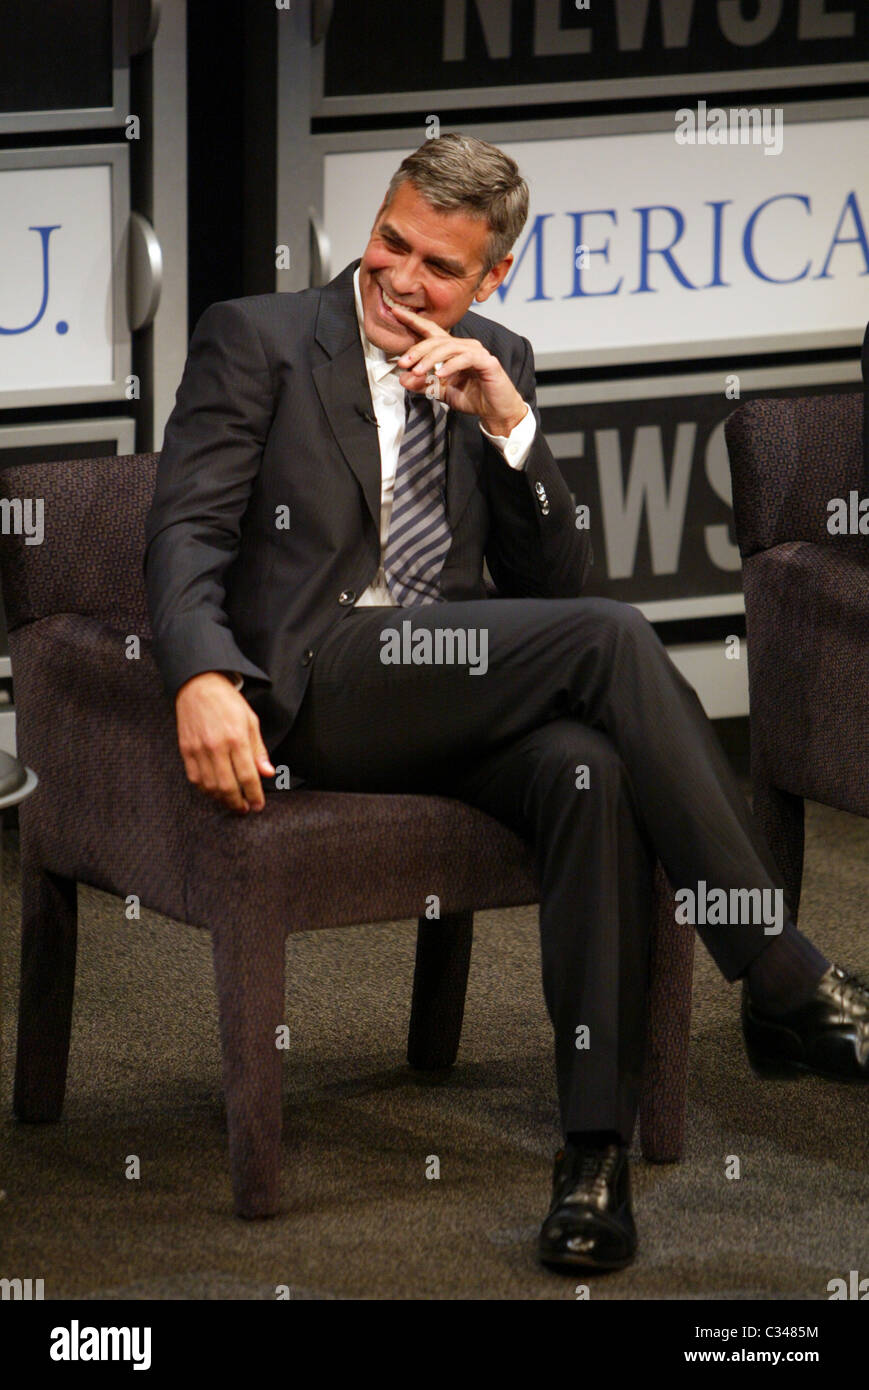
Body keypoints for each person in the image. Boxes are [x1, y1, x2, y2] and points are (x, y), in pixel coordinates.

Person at [145, 134, 869, 1273]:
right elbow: (183, 527)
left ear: (493, 277)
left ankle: (590, 1158)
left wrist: (509, 432)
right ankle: (774, 970)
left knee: (590, 769)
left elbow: (555, 591)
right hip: (323, 681)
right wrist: (198, 673)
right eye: (390, 241)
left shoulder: (499, 356)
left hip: (451, 692)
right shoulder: (261, 338)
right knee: (615, 638)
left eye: (438, 267)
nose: (397, 278)